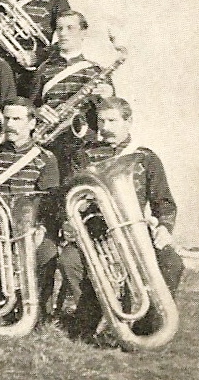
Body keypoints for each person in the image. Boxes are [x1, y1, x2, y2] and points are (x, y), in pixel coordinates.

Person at [63, 97, 184, 340]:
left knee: (172, 263)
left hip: (134, 232)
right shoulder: (84, 156)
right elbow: (69, 191)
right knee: (70, 260)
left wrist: (164, 227)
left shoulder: (145, 157)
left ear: (128, 122)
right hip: (96, 232)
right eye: (101, 121)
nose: (105, 127)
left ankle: (143, 326)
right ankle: (92, 321)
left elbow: (164, 201)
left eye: (112, 121)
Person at [0, 97, 62, 320]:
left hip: (32, 228)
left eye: (17, 119)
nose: (10, 124)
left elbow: (50, 202)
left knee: (47, 252)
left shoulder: (45, 158)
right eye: (7, 118)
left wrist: (41, 229)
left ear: (32, 123)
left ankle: (38, 312)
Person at [30, 10, 113, 179]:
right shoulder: (44, 70)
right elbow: (29, 107)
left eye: (70, 28)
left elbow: (111, 114)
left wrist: (107, 97)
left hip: (84, 147)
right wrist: (37, 111)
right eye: (59, 29)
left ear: (83, 33)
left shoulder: (96, 71)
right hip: (49, 144)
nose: (63, 33)